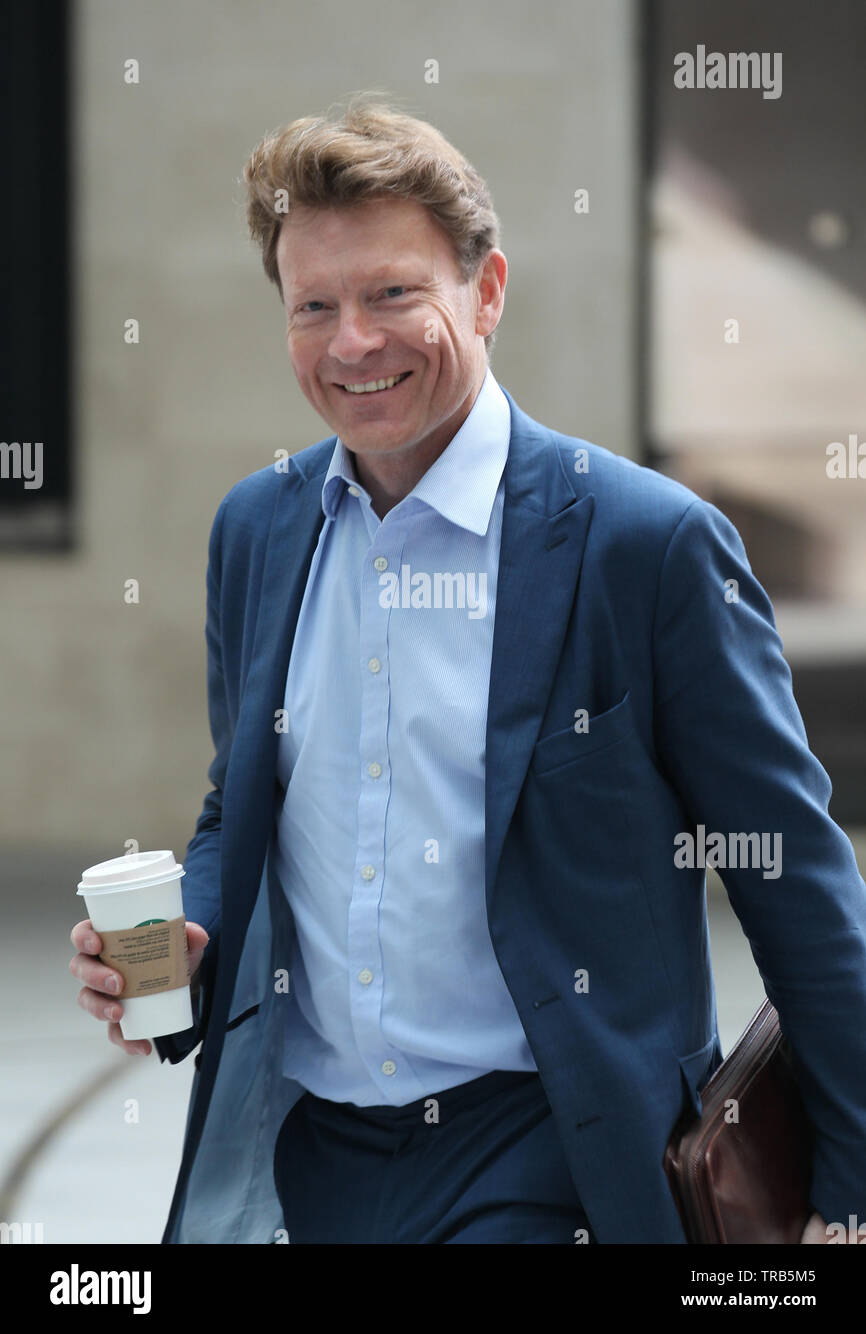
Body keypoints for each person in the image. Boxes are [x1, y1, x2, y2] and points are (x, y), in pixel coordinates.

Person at [70, 95, 866, 1245]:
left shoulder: (643, 545)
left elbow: (793, 873)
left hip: (551, 1150)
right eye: (314, 306)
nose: (353, 341)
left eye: (394, 293)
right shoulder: (255, 530)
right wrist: (182, 944)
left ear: (485, 291)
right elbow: (237, 807)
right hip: (315, 1155)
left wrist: (847, 1186)